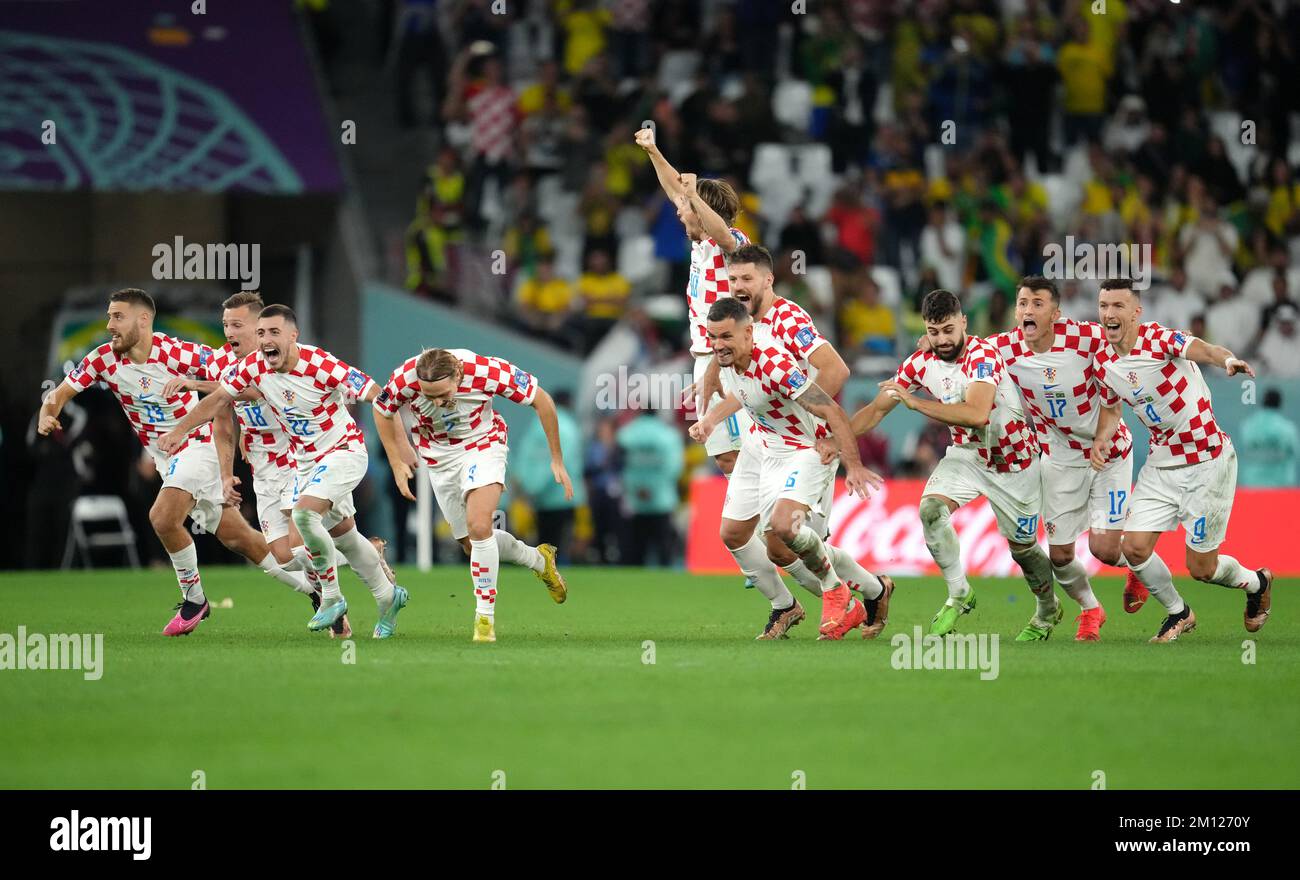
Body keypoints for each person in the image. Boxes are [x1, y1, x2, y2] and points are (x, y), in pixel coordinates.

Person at [38, 289, 312, 636]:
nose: (109, 325)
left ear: (143, 320)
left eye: (117, 317)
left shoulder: (178, 353)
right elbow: (60, 393)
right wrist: (47, 413)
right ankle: (315, 590)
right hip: (166, 458)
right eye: (109, 317)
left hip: (198, 446)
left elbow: (239, 379)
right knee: (239, 537)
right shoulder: (103, 359)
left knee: (163, 517)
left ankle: (194, 600)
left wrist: (232, 405)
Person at [158, 305, 408, 639]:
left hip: (338, 453)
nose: (262, 339)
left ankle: (332, 599)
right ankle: (388, 596)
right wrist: (180, 431)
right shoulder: (250, 366)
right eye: (261, 333)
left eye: (271, 332)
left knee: (303, 525)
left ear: (293, 336)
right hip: (295, 465)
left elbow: (381, 397)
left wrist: (399, 453)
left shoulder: (320, 364)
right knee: (296, 553)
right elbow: (219, 403)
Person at [695, 245, 895, 636]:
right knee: (738, 535)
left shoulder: (788, 320)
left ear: (768, 280)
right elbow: (744, 383)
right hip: (761, 440)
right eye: (733, 279)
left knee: (791, 539)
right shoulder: (732, 327)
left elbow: (836, 370)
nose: (738, 286)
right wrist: (711, 407)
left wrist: (822, 429)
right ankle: (786, 606)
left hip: (803, 444)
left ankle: (864, 591)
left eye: (747, 278)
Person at [841, 289, 1051, 637]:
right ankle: (959, 593)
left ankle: (1046, 610)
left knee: (1023, 550)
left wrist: (915, 403)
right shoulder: (919, 363)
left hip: (1014, 460)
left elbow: (977, 414)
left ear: (964, 322)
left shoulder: (983, 356)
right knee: (930, 510)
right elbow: (877, 410)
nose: (942, 340)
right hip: (967, 456)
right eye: (934, 332)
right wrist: (836, 439)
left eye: (949, 330)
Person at [1094, 278, 1273, 641]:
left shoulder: (1159, 339)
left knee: (1202, 568)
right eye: (1104, 306)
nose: (1109, 313)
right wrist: (1101, 438)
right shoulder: (1103, 361)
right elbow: (1112, 409)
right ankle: (1179, 612)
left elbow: (1204, 349)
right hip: (1161, 464)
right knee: (1134, 548)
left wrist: (1228, 360)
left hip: (1207, 461)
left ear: (1136, 312)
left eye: (1118, 306)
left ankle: (1257, 582)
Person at [372, 347, 572, 643]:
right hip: (439, 460)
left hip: (483, 445)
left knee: (479, 526)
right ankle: (539, 560)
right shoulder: (406, 377)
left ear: (458, 375)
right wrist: (397, 456)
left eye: (443, 394)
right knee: (472, 544)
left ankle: (484, 620)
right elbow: (382, 409)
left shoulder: (486, 371)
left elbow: (542, 401)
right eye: (429, 396)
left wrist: (556, 459)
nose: (437, 402)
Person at [987, 277, 1134, 640]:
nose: (1028, 310)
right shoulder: (1004, 348)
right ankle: (1091, 609)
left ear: (1055, 313)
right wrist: (928, 345)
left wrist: (1178, 345)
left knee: (1105, 549)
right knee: (1061, 556)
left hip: (1108, 451)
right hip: (1059, 457)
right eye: (1023, 303)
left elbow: (1130, 338)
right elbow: (964, 353)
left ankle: (1139, 563)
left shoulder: (1084, 337)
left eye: (1037, 304)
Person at [634, 126, 752, 476]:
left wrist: (694, 198)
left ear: (701, 212)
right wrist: (653, 151)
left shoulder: (732, 244)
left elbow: (724, 235)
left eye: (686, 207)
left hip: (729, 357)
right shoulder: (700, 243)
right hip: (704, 354)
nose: (678, 211)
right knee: (725, 456)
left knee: (745, 452)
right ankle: (750, 511)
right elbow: (674, 189)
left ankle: (767, 511)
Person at [515, 390, 584, 561]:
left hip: (539, 498)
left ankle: (544, 574)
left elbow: (525, 457)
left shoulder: (536, 425)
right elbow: (562, 461)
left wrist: (531, 487)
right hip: (563, 496)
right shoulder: (569, 427)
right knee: (560, 547)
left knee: (543, 545)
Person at [616, 412, 683, 567]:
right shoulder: (668, 435)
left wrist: (637, 487)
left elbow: (620, 462)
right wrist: (654, 488)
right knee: (664, 550)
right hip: (662, 500)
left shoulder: (628, 432)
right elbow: (674, 467)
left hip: (635, 499)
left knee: (635, 551)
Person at [1239, 389, 1299, 487]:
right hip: (1281, 485)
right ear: (1279, 403)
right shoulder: (1287, 428)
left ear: (1262, 402)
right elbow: (1295, 453)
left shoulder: (1248, 426)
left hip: (1252, 485)